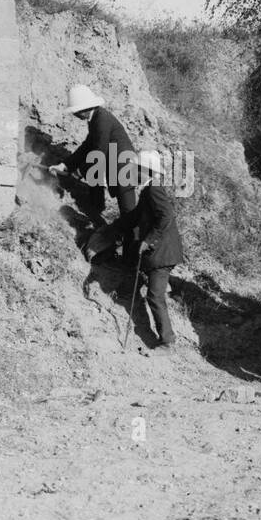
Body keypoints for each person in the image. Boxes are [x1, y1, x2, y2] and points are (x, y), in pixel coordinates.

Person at [103, 149, 185, 352]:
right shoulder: (148, 189)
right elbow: (134, 217)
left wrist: (148, 240)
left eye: (138, 169)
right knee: (148, 286)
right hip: (160, 252)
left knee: (155, 296)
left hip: (162, 253)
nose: (134, 172)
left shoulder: (154, 188)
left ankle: (168, 341)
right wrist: (112, 228)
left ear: (147, 170)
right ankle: (125, 291)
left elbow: (166, 216)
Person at [48, 84, 140, 238]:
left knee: (129, 214)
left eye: (76, 112)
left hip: (124, 168)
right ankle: (100, 217)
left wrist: (79, 172)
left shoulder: (102, 120)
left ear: (85, 109)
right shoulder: (96, 119)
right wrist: (65, 165)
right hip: (116, 167)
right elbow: (87, 147)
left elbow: (98, 152)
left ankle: (133, 255)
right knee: (125, 213)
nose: (75, 115)